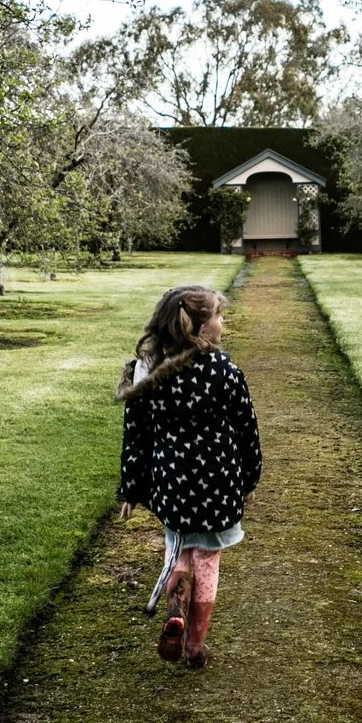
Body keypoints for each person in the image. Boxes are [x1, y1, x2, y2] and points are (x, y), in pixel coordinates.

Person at [115, 283, 262, 669]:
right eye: (218, 316)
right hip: (217, 485)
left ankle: (175, 610)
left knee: (178, 549)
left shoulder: (150, 373)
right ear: (200, 328)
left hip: (172, 485)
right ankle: (196, 645)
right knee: (207, 558)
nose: (222, 323)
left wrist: (131, 487)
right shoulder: (224, 369)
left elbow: (137, 435)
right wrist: (250, 479)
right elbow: (246, 430)